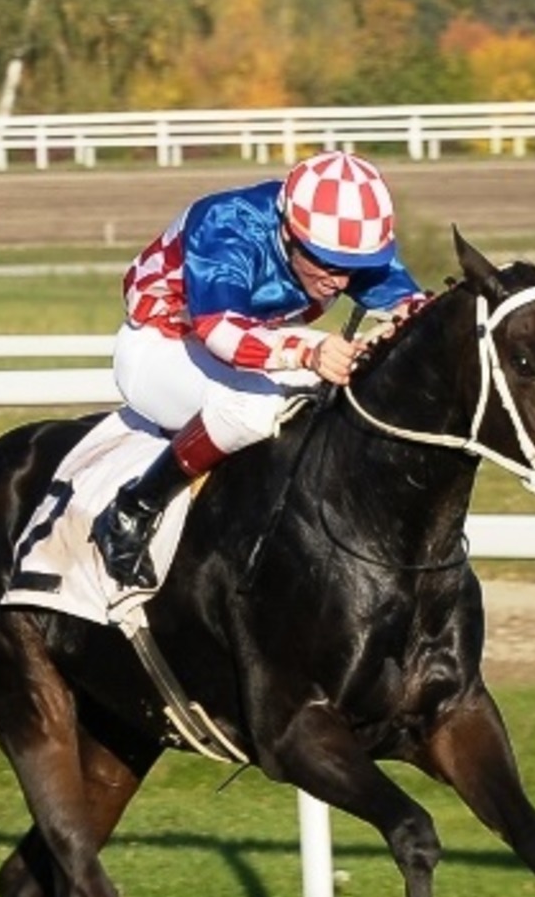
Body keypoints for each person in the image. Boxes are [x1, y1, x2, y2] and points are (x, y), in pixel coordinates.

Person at [90, 150, 431, 591]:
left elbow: (415, 309)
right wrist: (307, 355)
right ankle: (133, 510)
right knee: (252, 409)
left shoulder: (343, 245)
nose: (341, 282)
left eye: (354, 268)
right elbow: (220, 331)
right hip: (163, 343)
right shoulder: (226, 223)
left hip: (254, 336)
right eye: (327, 262)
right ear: (288, 230)